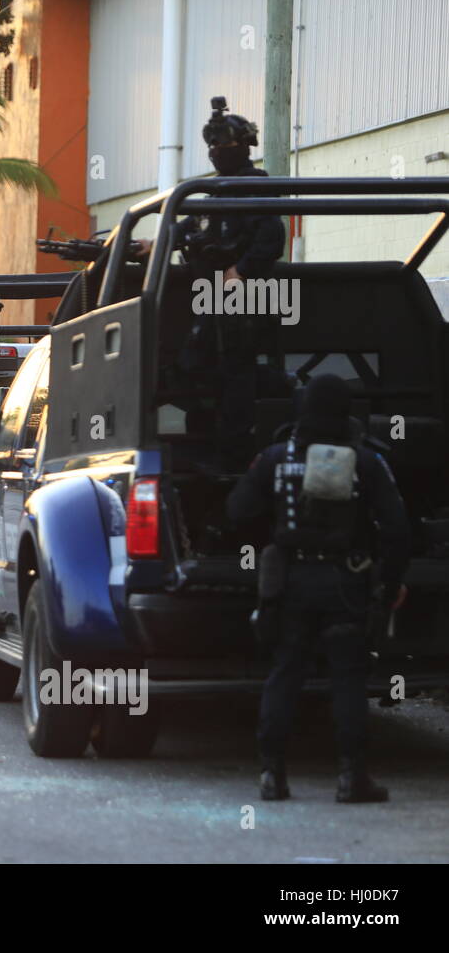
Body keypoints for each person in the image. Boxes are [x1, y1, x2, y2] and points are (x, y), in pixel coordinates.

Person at [226, 374, 411, 804]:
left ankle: (273, 776)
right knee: (348, 678)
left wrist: (268, 535)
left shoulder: (273, 457)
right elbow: (397, 528)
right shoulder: (366, 461)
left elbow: (235, 511)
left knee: (286, 672)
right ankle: (351, 779)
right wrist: (392, 581)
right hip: (347, 584)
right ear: (347, 412)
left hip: (289, 583)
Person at [172, 96, 287, 470]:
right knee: (194, 368)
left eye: (224, 144)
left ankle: (235, 459)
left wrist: (241, 271)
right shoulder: (215, 193)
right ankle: (206, 451)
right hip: (212, 299)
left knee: (238, 377)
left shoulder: (254, 187)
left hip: (243, 300)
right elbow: (191, 230)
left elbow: (271, 238)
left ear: (243, 147)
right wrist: (152, 244)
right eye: (212, 145)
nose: (217, 151)